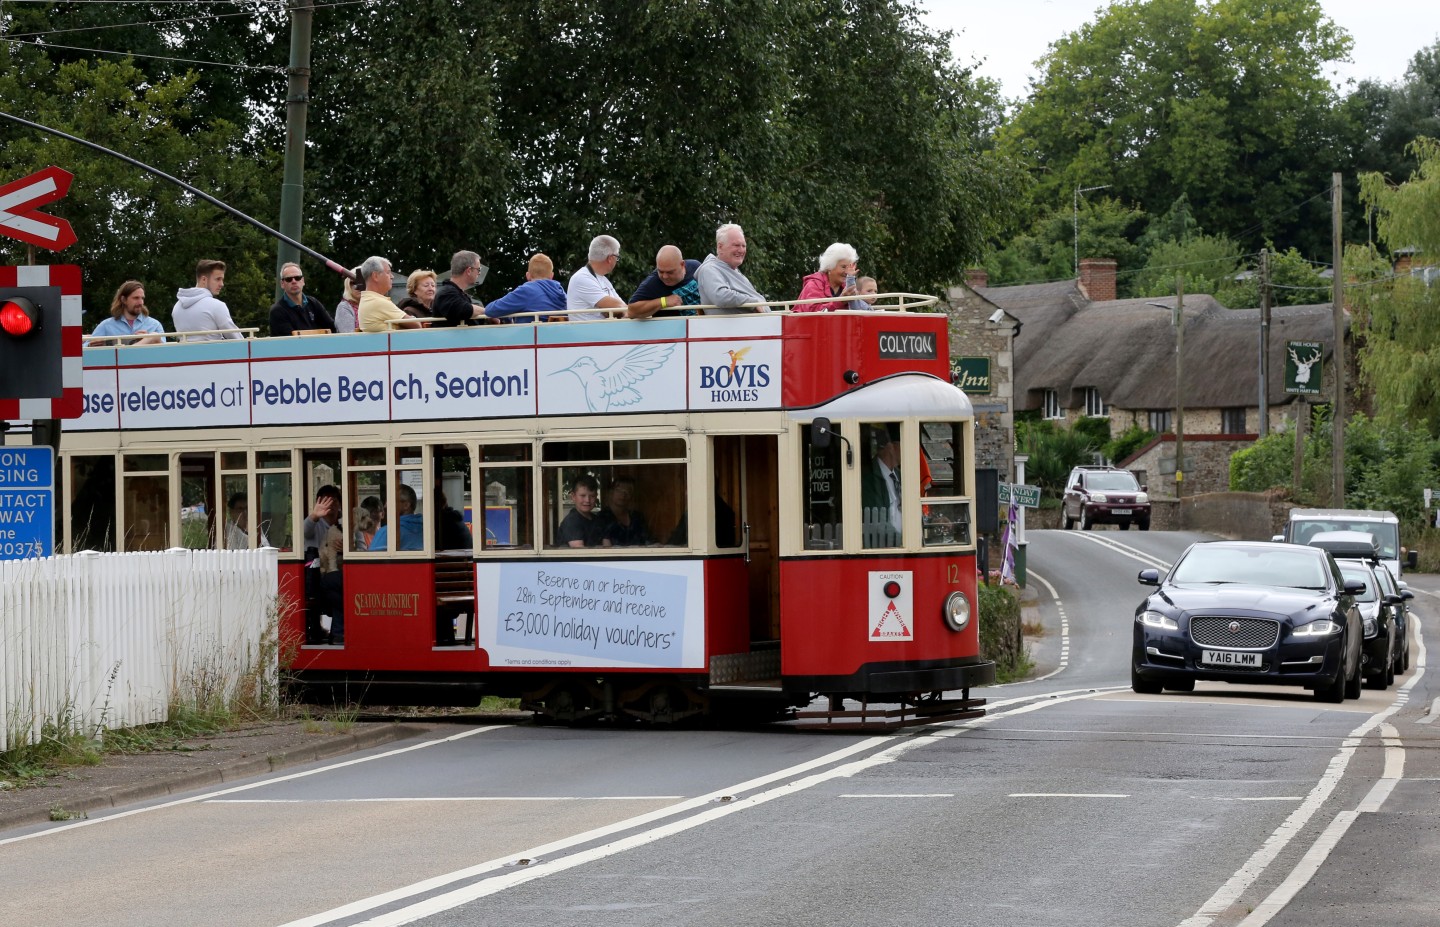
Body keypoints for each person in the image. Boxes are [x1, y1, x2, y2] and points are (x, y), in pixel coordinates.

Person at [696, 223, 770, 314]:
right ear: (720, 247)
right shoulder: (709, 269)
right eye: (736, 245)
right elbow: (721, 296)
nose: (741, 250)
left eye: (743, 246)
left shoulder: (734, 271)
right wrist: (753, 303)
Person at [484, 252, 567, 323]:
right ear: (551, 276)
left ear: (528, 275)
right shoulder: (561, 292)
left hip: (530, 339)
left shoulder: (527, 291)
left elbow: (490, 310)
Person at [625, 245, 702, 319]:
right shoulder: (653, 282)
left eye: (670, 272)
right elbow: (631, 311)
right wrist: (664, 301)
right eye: (660, 271)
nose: (664, 276)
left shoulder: (696, 267)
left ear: (682, 264)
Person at [173, 259, 241, 341]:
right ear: (204, 280)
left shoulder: (176, 307)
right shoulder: (217, 306)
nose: (222, 284)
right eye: (218, 279)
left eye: (222, 280)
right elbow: (238, 339)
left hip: (183, 353)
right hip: (215, 353)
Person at [565, 234, 626, 321]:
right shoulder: (582, 278)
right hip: (590, 333)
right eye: (617, 257)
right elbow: (619, 306)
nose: (617, 261)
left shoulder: (602, 279)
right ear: (610, 258)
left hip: (601, 332)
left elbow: (622, 306)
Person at [268, 262, 336, 336]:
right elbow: (289, 342)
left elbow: (333, 328)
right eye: (289, 279)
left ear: (303, 281)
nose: (294, 281)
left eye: (297, 278)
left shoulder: (313, 303)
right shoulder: (277, 311)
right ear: (282, 284)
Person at [357, 256, 420, 332]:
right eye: (388, 272)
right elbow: (417, 325)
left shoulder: (367, 300)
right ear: (375, 276)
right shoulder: (378, 302)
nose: (392, 276)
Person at [92, 280, 164, 345]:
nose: (141, 302)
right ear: (123, 299)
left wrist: (148, 339)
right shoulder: (106, 325)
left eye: (142, 298)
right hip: (117, 359)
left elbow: (166, 352)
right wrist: (91, 345)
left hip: (146, 359)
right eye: (136, 298)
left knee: (154, 335)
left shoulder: (154, 325)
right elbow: (85, 348)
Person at [861, 426, 903, 535]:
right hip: (886, 546)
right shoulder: (868, 478)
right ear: (890, 448)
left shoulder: (900, 475)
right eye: (904, 443)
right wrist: (901, 540)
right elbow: (877, 521)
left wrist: (931, 521)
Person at [795, 243, 860, 313]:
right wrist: (841, 301)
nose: (847, 272)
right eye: (843, 267)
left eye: (850, 267)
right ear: (829, 267)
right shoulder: (814, 284)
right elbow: (812, 311)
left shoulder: (847, 288)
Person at [431, 250, 488, 326]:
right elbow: (463, 310)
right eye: (478, 269)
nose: (479, 273)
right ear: (469, 271)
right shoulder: (446, 293)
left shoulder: (456, 293)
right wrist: (488, 312)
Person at [557, 474, 611, 547]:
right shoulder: (571, 522)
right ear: (573, 496)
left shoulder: (599, 521)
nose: (587, 500)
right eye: (582, 496)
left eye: (592, 496)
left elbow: (608, 549)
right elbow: (580, 554)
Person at [370, 483, 423, 550]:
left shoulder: (387, 532)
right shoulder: (425, 530)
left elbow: (371, 559)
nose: (385, 506)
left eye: (390, 500)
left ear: (406, 505)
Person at [603, 476, 651, 546]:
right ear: (611, 492)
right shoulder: (603, 517)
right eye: (619, 490)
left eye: (628, 491)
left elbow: (649, 539)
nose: (623, 495)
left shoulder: (637, 517)